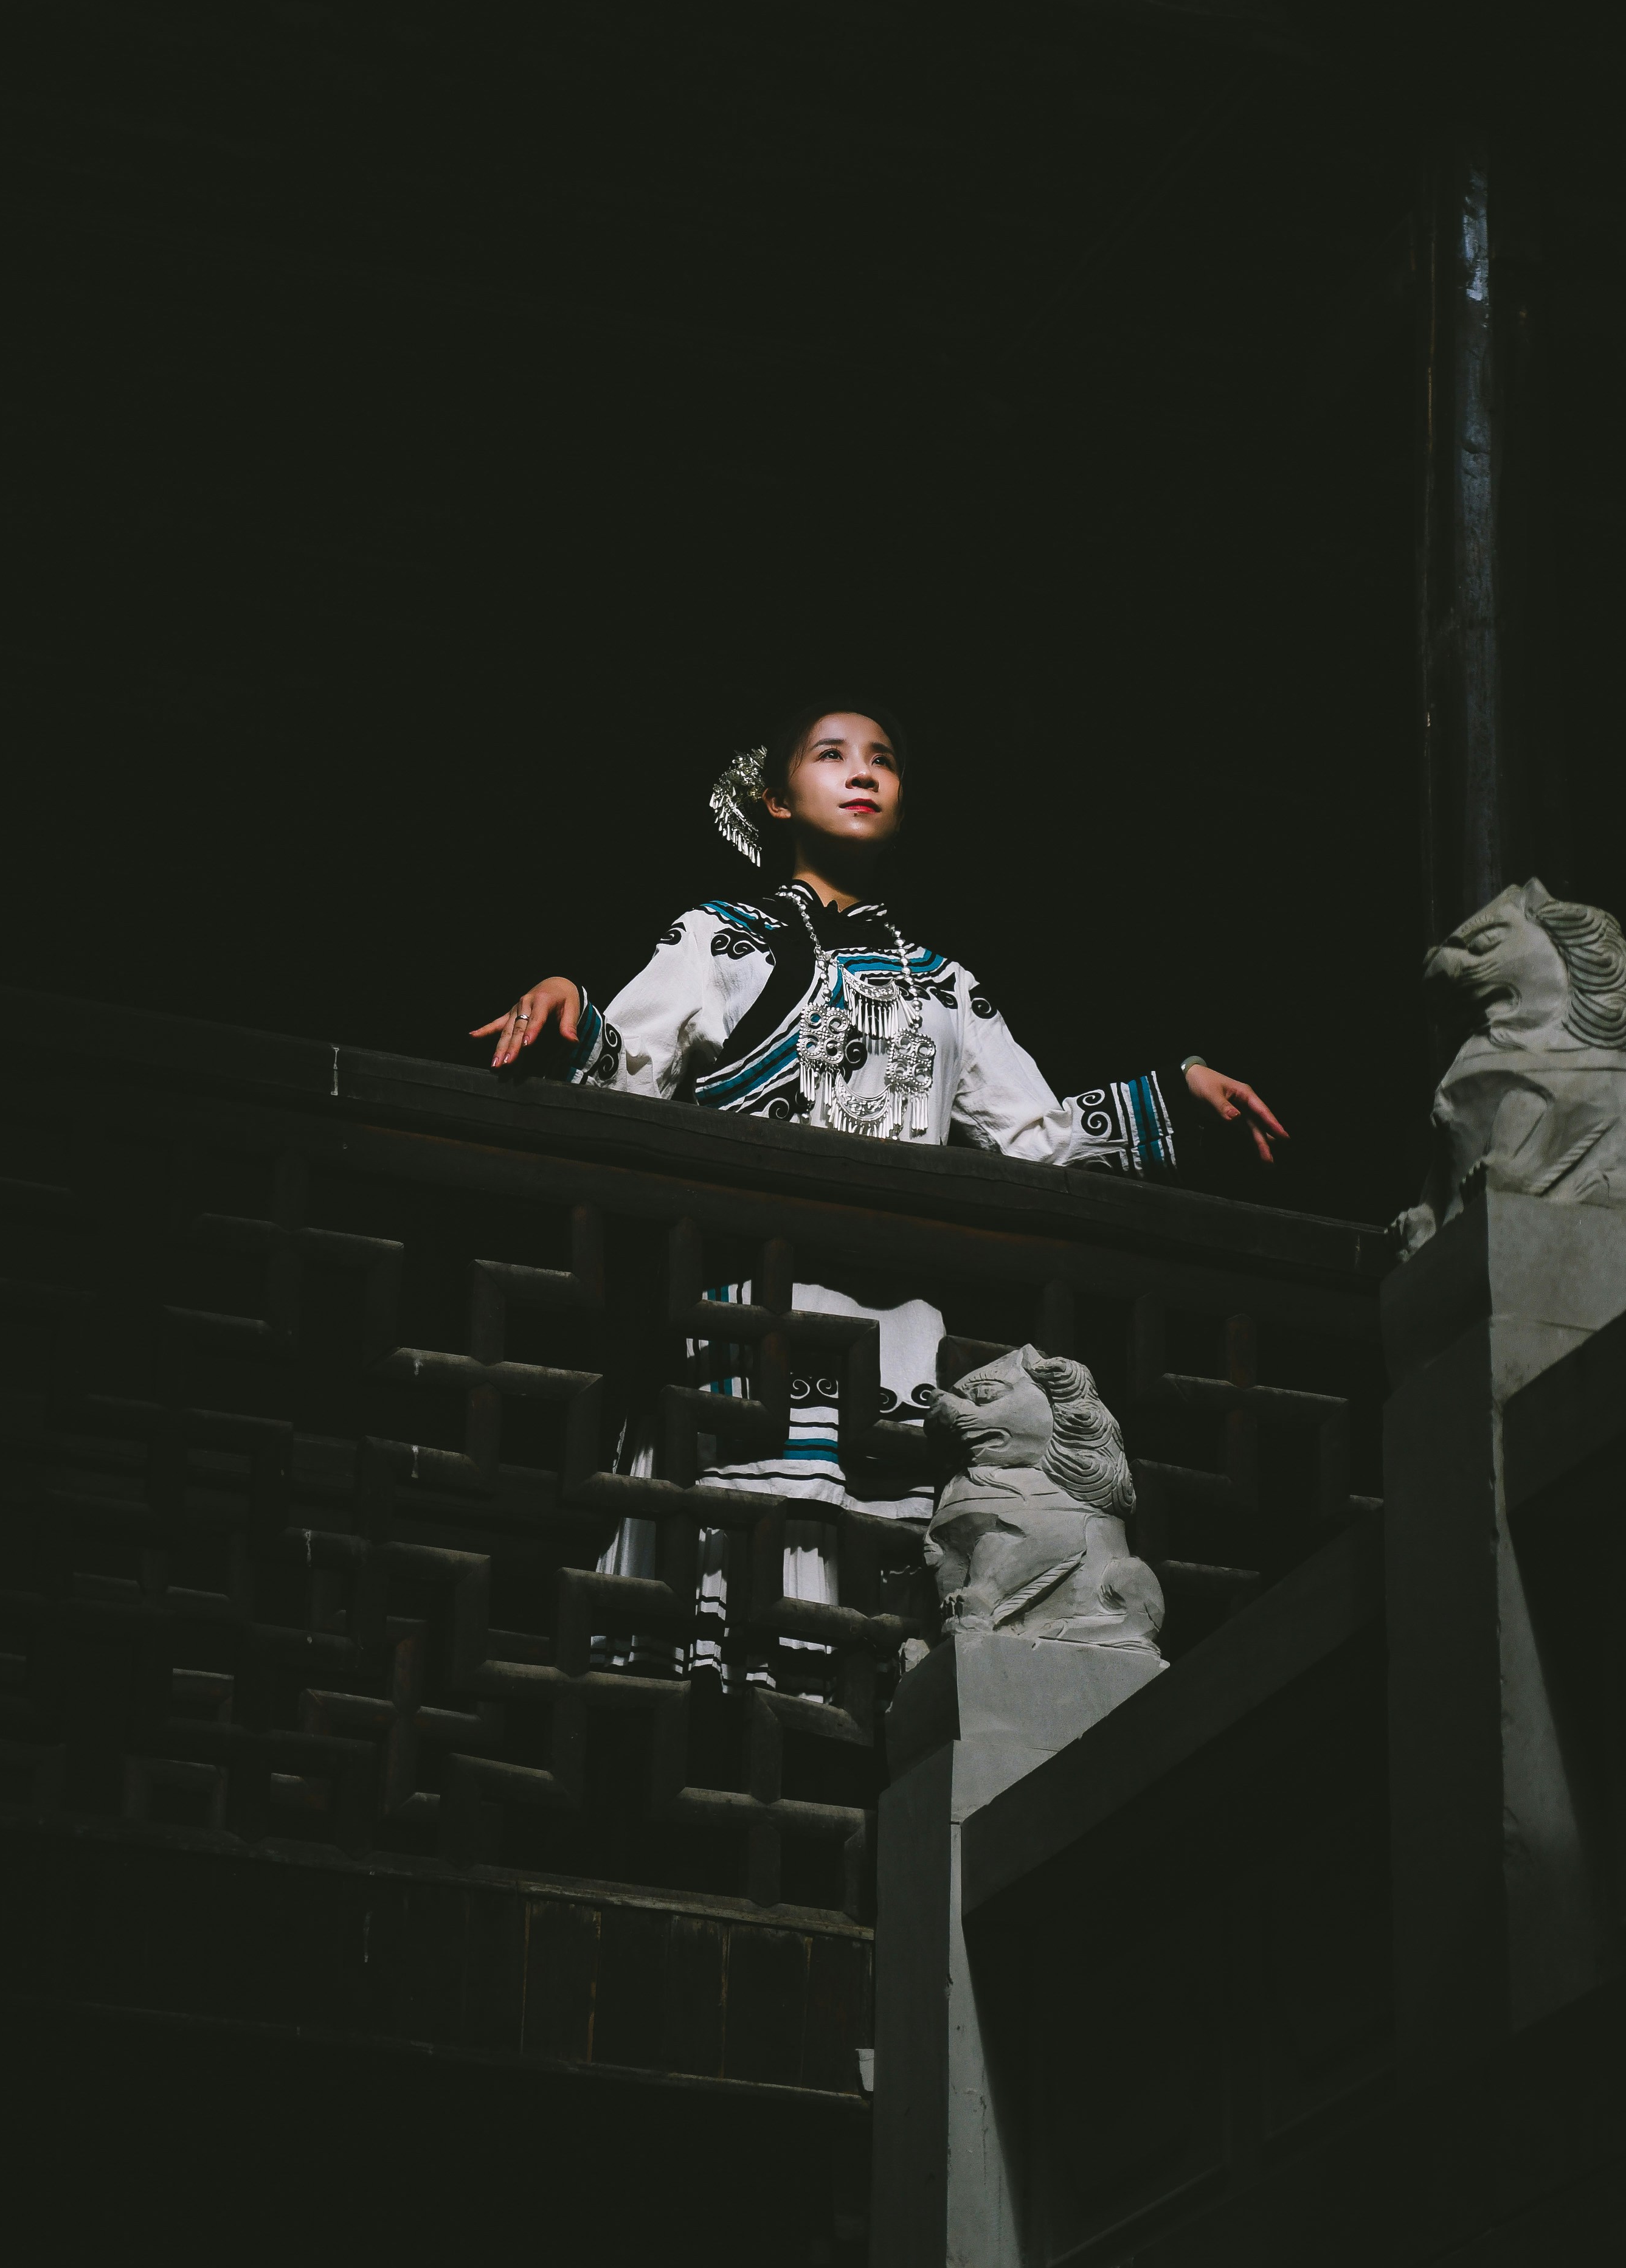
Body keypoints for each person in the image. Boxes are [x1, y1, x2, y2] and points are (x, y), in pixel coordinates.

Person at [472, 698, 1282, 1665]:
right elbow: (629, 1072)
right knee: (745, 1585)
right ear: (774, 799)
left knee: (872, 1579)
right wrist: (575, 1005)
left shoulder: (945, 984)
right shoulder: (721, 939)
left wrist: (1172, 1091)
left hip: (894, 1330)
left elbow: (1034, 1140)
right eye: (831, 755)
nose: (862, 772)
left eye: (883, 760)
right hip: (749, 1310)